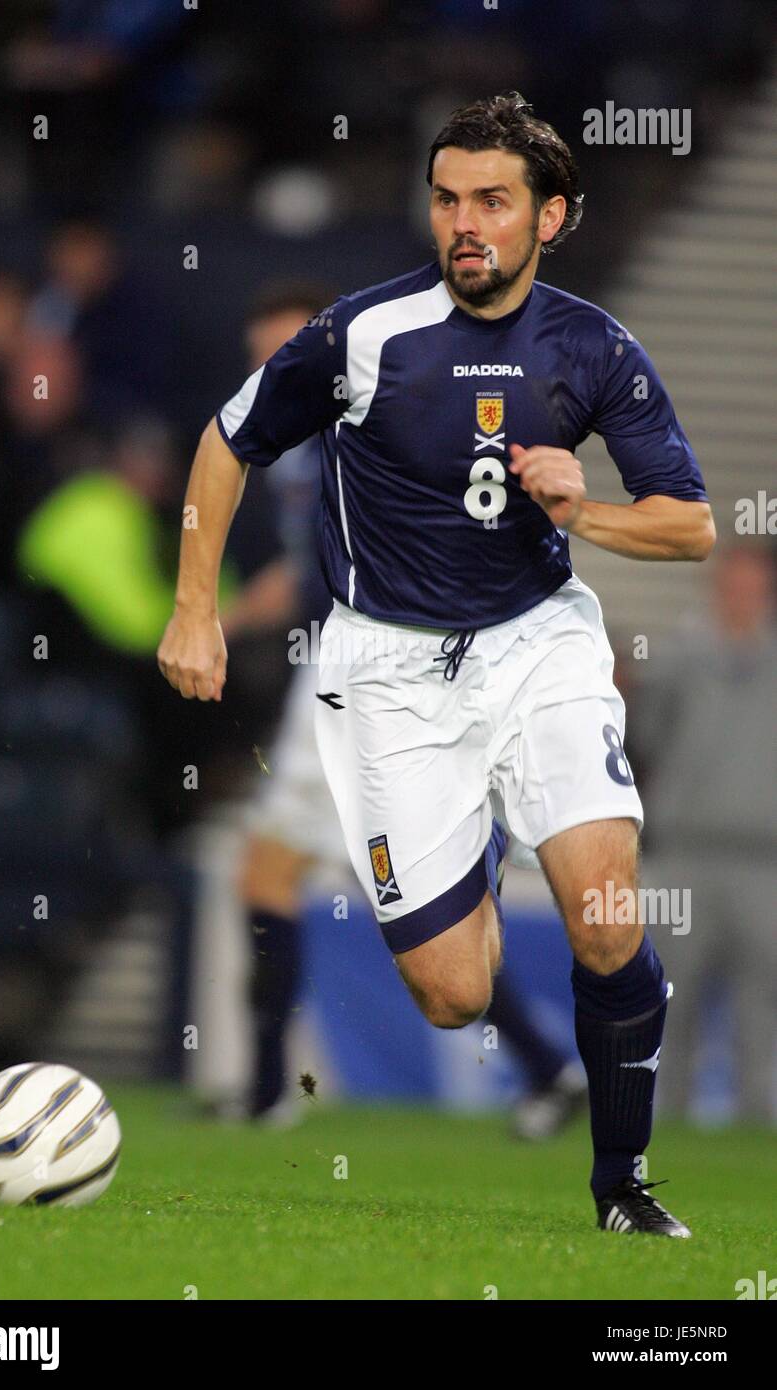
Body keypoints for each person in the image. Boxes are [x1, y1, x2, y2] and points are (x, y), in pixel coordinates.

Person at [157, 94, 716, 1235]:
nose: (464, 222)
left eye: (492, 201)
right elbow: (227, 440)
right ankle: (476, 843)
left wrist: (584, 509)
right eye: (447, 197)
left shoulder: (593, 345)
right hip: (389, 676)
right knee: (453, 995)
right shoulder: (363, 334)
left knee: (605, 911)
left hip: (538, 643)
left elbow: (690, 525)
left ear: (550, 216)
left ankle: (622, 1186)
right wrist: (194, 609)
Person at [219, 282, 587, 1132]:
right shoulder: (306, 446)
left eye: (287, 351)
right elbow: (301, 575)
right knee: (378, 898)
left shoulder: (362, 432)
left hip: (364, 676)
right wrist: (220, 617)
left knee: (285, 874)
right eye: (264, 355)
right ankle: (541, 1066)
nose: (276, 370)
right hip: (353, 671)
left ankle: (272, 1092)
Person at [633, 542, 776, 1123]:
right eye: (731, 581)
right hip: (685, 853)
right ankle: (656, 1126)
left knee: (762, 1008)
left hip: (764, 861)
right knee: (669, 998)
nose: (739, 593)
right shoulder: (678, 656)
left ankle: (761, 1128)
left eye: (751, 583)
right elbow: (644, 738)